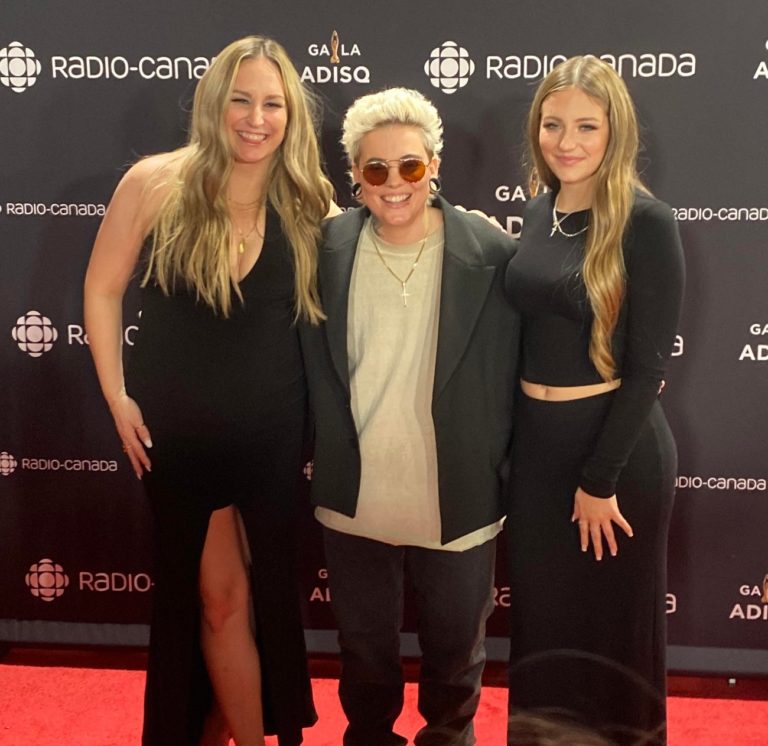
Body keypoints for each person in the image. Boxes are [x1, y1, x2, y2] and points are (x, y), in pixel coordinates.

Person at [83, 36, 338, 746]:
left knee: (268, 602)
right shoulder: (155, 184)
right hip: (180, 439)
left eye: (273, 104)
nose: (256, 119)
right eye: (241, 101)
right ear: (213, 104)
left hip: (275, 438)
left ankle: (226, 728)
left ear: (291, 114)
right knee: (219, 600)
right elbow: (102, 288)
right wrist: (117, 396)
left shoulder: (308, 201)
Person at [300, 87, 520, 746]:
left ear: (434, 166)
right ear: (355, 178)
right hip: (354, 496)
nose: (394, 184)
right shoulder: (324, 250)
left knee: (457, 657)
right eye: (376, 170)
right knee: (364, 655)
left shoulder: (491, 251)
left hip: (458, 494)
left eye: (410, 167)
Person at [504, 55, 684, 745]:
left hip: (612, 457)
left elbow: (647, 368)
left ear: (616, 132)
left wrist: (598, 479)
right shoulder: (537, 210)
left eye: (586, 125)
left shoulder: (646, 220)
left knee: (613, 640)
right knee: (544, 637)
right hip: (540, 454)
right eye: (553, 124)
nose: (566, 140)